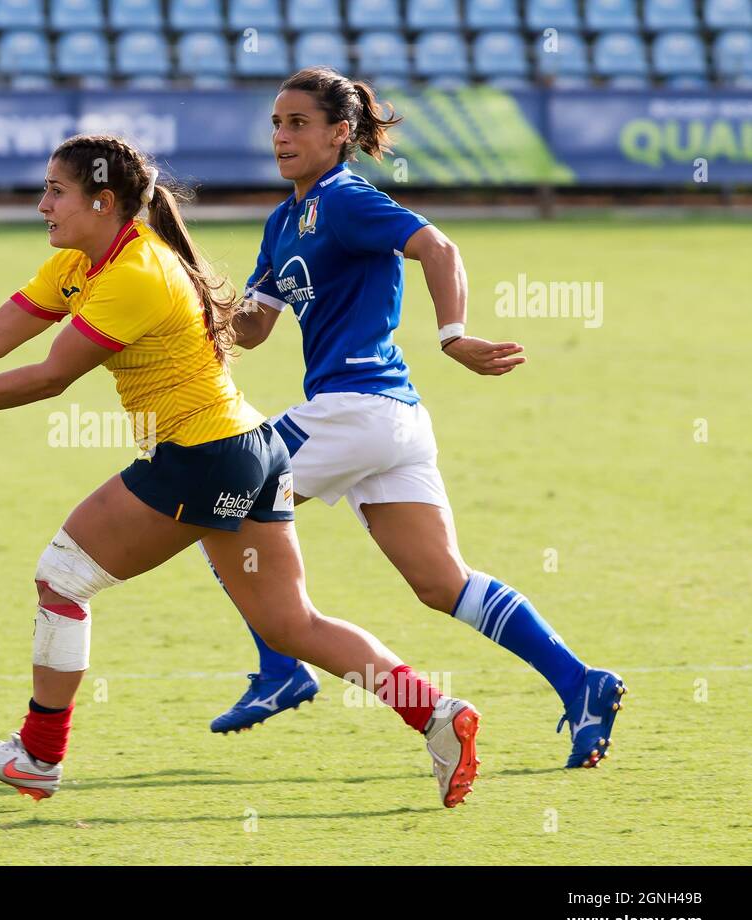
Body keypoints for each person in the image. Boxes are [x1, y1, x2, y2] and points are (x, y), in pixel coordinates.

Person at [0, 134, 481, 808]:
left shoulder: (136, 273)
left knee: (63, 574)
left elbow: (51, 376)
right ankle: (434, 712)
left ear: (102, 202)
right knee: (291, 626)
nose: (42, 203)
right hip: (248, 448)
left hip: (203, 457)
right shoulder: (86, 259)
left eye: (56, 192)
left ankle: (38, 755)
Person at [206, 67, 625, 770]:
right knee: (443, 584)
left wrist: (453, 335)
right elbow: (251, 329)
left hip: (355, 407)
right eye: (276, 123)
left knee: (212, 498)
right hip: (391, 421)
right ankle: (582, 683)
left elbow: (437, 246)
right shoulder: (284, 222)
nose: (281, 136)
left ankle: (282, 664)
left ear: (340, 134)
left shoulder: (346, 199)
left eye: (298, 123)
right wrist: (192, 300)